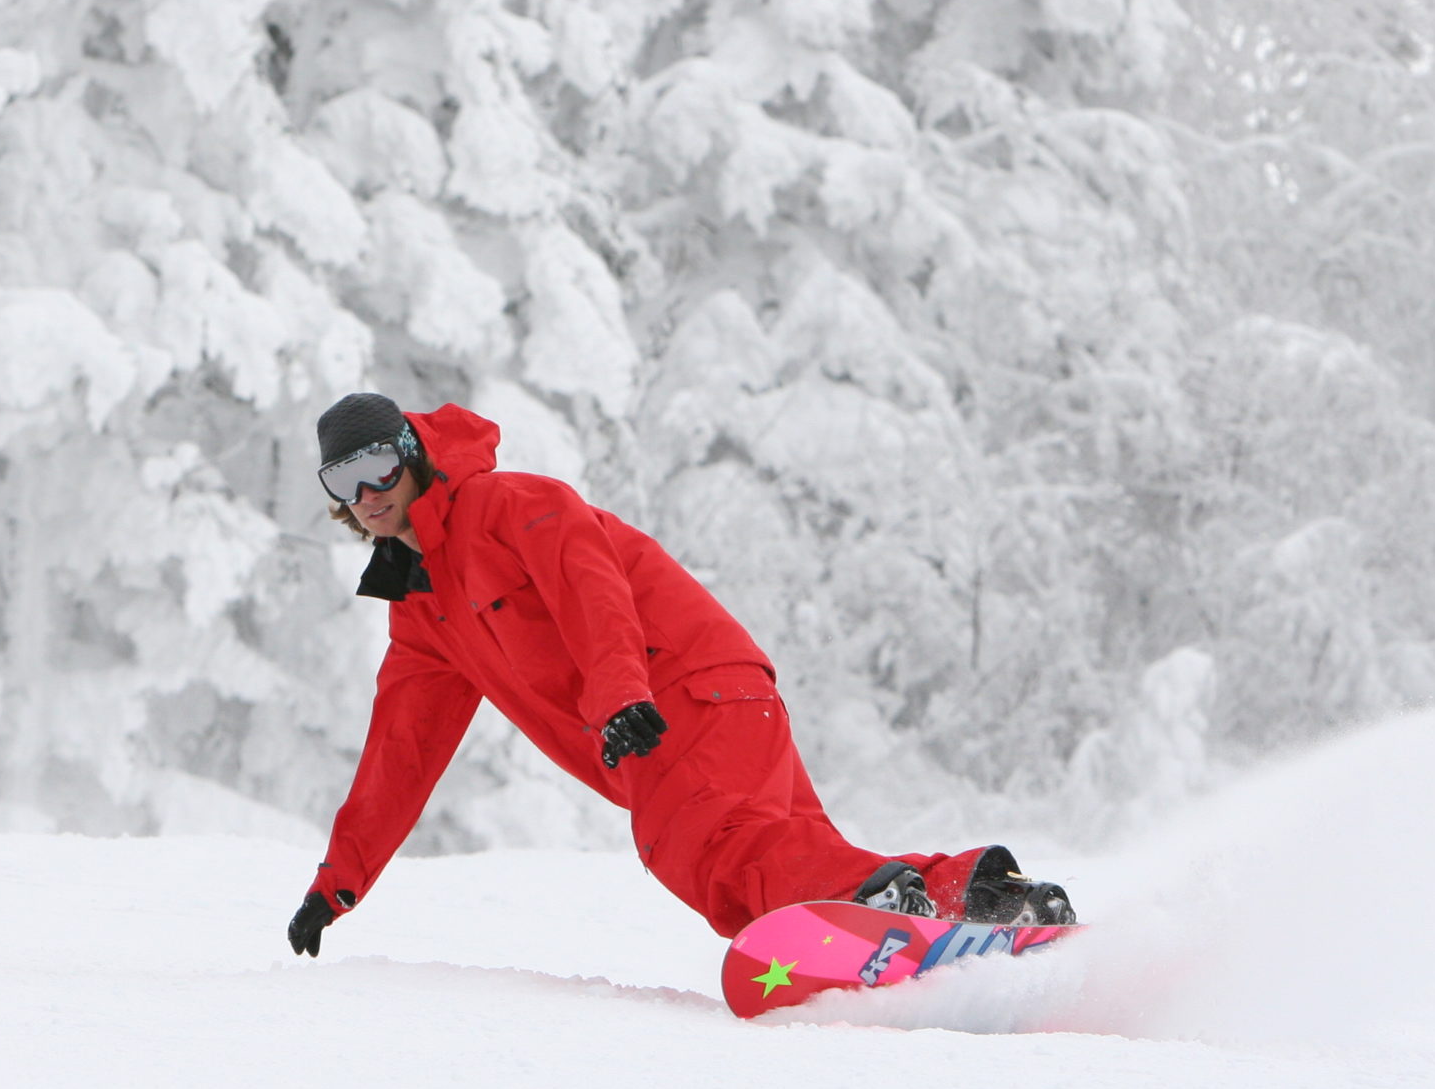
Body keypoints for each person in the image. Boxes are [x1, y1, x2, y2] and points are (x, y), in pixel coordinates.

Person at [284, 393, 1075, 958]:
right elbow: (401, 749)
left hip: (674, 689)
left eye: (379, 468)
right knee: (778, 851)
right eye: (343, 484)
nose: (366, 497)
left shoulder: (505, 503)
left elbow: (593, 587)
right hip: (714, 698)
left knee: (702, 850)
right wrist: (339, 881)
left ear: (413, 456)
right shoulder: (423, 612)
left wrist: (620, 690)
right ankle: (980, 899)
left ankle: (874, 903)